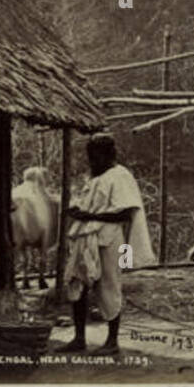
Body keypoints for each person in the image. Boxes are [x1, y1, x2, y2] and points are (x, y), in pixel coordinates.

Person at [62, 133, 156, 355]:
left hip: (110, 239)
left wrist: (88, 216)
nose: (92, 161)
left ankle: (112, 342)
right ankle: (79, 338)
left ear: (108, 155)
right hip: (86, 237)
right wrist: (78, 212)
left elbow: (124, 213)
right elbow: (89, 207)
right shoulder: (95, 178)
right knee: (77, 283)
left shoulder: (120, 176)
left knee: (109, 286)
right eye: (90, 157)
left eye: (96, 156)